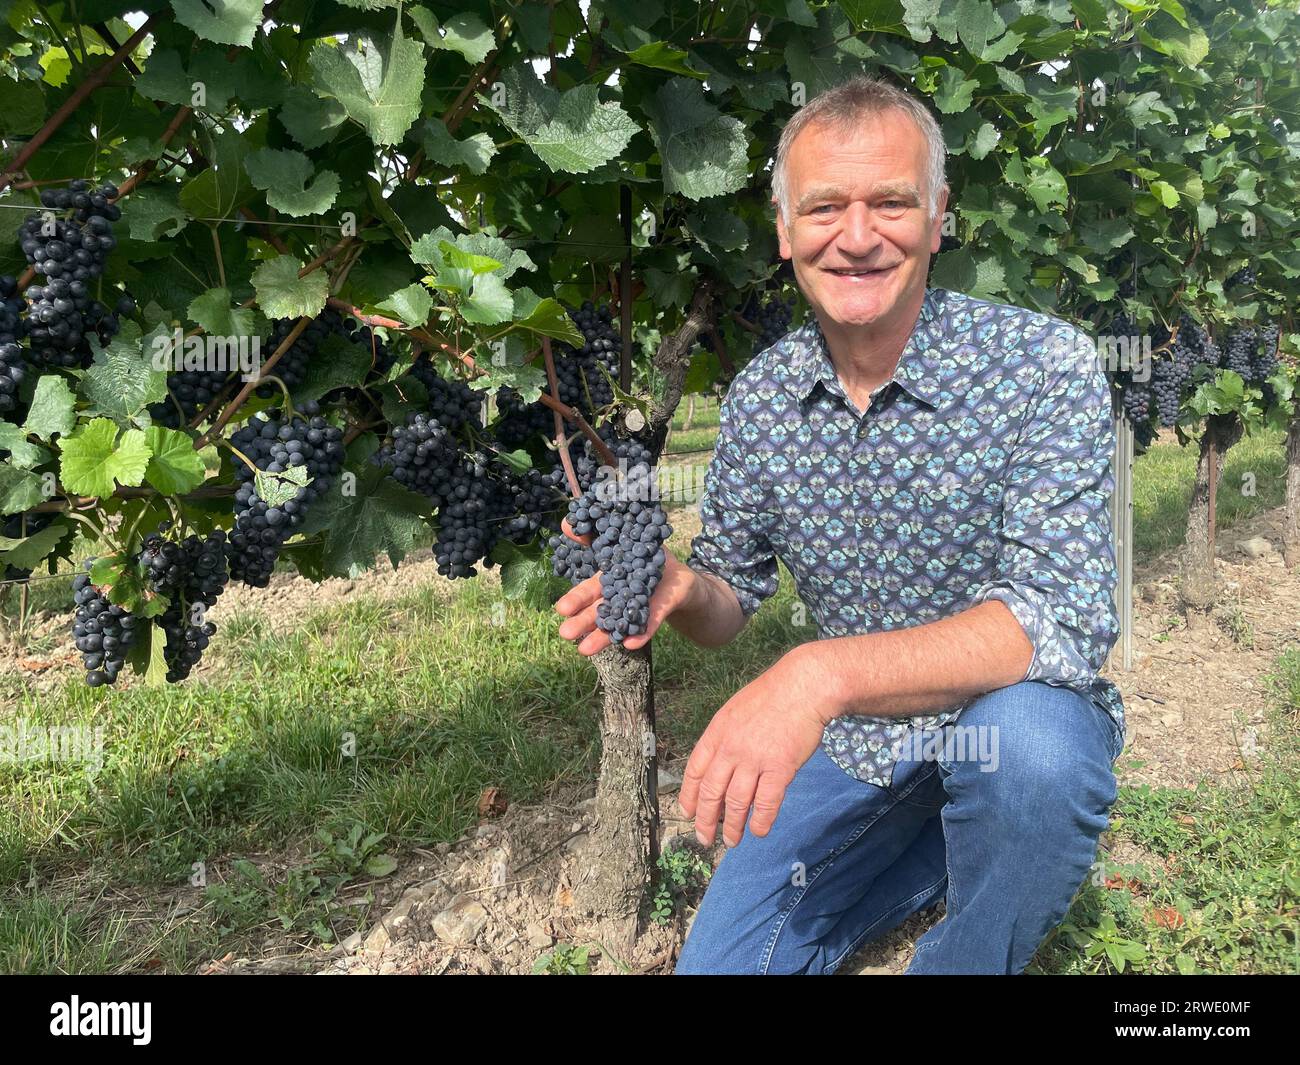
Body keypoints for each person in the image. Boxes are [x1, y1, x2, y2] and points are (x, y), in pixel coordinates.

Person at [553, 74, 1126, 975]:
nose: (857, 237)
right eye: (824, 208)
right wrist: (681, 587)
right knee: (723, 968)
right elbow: (732, 595)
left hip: (1004, 719)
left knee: (1036, 759)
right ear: (785, 231)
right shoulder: (763, 397)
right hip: (864, 742)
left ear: (938, 216)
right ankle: (945, 843)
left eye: (890, 202)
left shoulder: (1043, 366)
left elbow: (1058, 618)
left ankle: (971, 940)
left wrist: (817, 674)